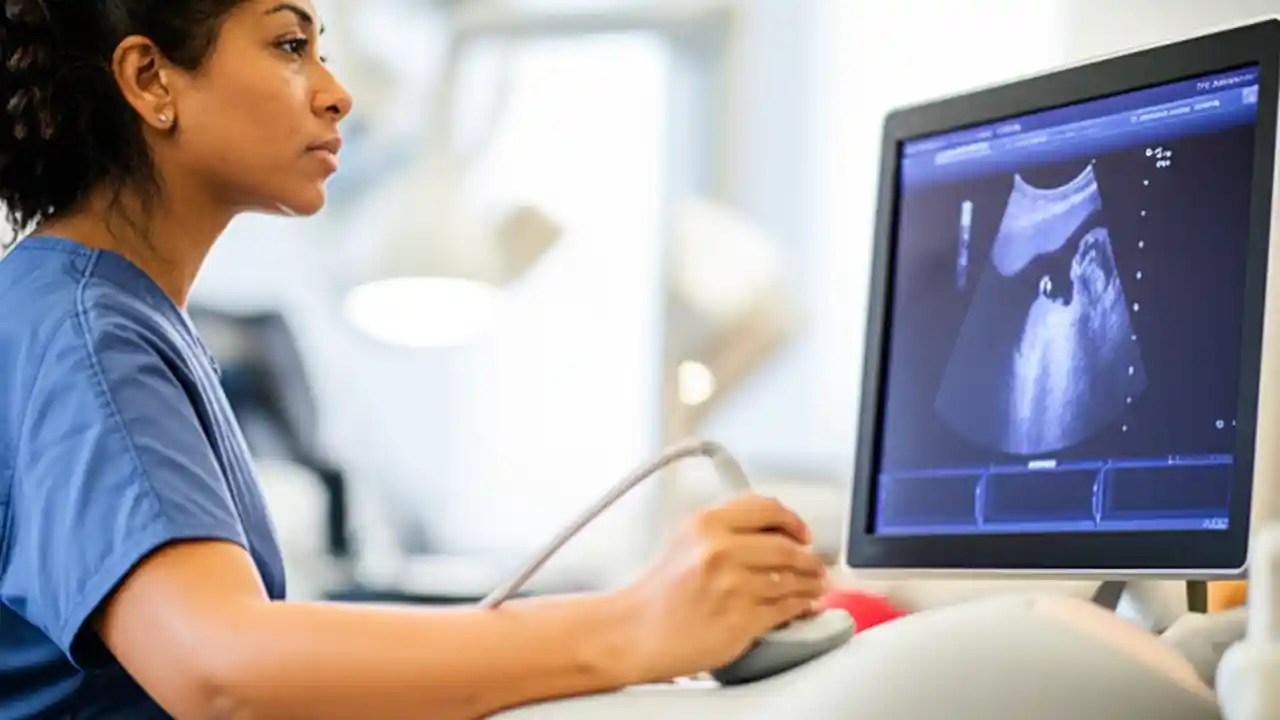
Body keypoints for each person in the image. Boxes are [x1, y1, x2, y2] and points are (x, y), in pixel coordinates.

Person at [0, 1, 829, 717]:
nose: (336, 92)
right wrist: (637, 623)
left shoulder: (106, 312)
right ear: (150, 80)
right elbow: (220, 668)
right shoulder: (83, 331)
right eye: (291, 46)